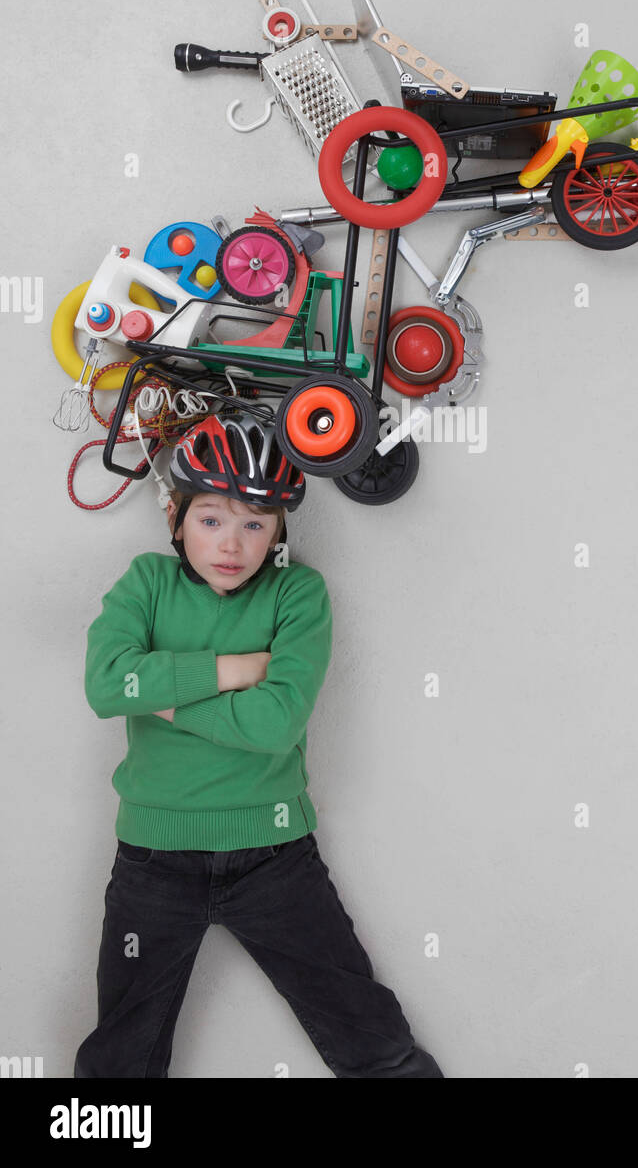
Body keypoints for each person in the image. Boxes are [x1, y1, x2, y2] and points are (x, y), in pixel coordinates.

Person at [73, 411, 443, 1078]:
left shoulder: (297, 593)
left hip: (275, 860)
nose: (232, 543)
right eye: (211, 518)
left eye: (256, 522)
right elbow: (104, 686)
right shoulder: (146, 584)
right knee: (119, 1064)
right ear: (176, 518)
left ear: (279, 529)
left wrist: (158, 691)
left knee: (376, 1045)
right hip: (153, 860)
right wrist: (233, 671)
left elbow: (276, 723)